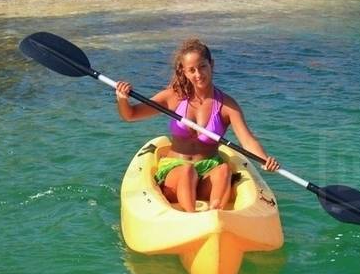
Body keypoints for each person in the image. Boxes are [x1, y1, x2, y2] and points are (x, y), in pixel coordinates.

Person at [115, 37, 279, 212]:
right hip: (175, 173)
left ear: (212, 65)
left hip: (208, 171)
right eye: (191, 70)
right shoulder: (173, 97)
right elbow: (130, 115)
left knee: (224, 170)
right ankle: (191, 216)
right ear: (184, 72)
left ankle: (217, 216)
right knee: (187, 171)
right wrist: (122, 99)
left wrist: (264, 159)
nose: (198, 74)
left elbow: (247, 140)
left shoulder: (227, 106)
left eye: (202, 66)